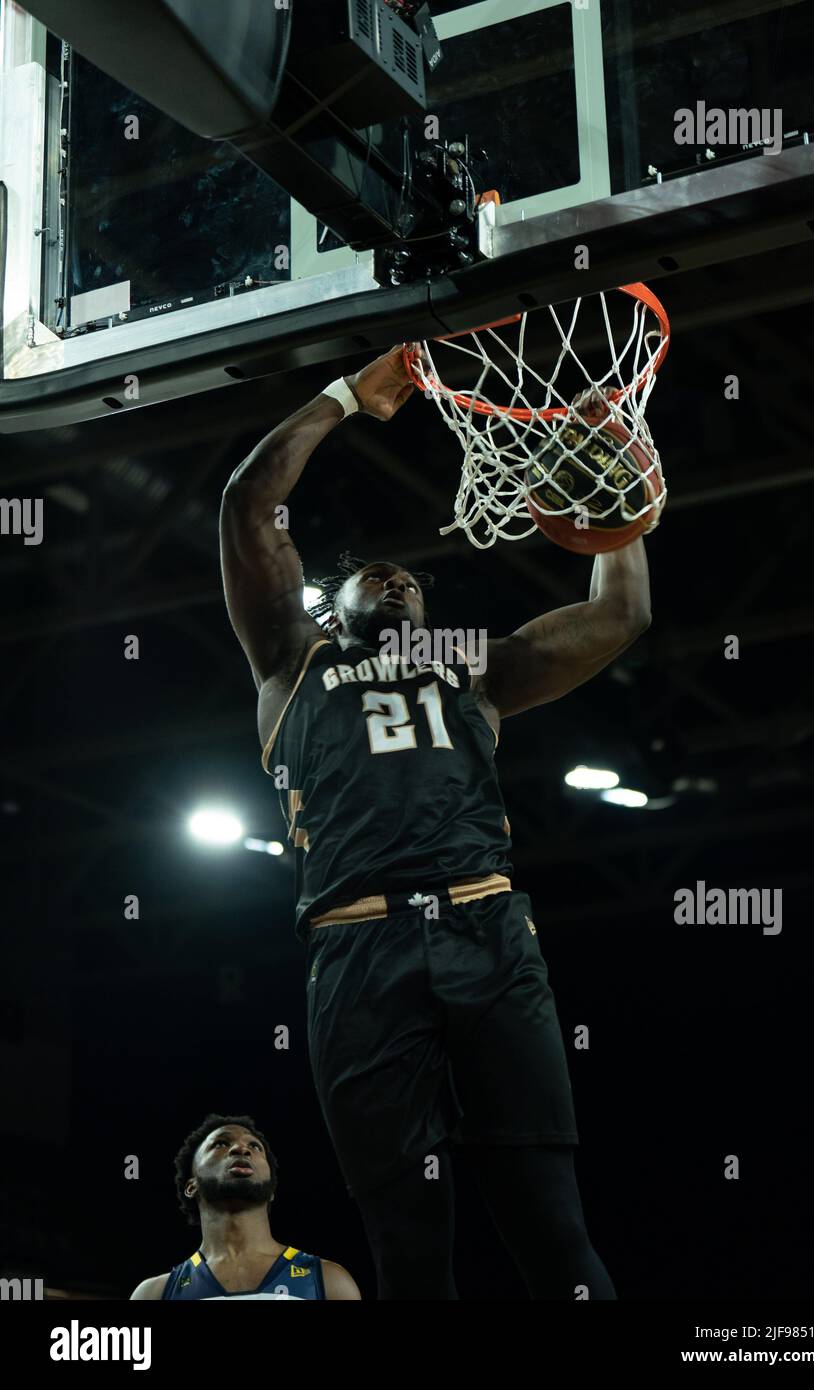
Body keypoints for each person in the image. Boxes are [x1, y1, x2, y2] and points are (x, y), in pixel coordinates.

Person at [218, 346, 651, 1299]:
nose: (399, 581)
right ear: (332, 605)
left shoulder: (468, 662)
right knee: (411, 1247)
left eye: (411, 578)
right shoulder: (291, 661)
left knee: (550, 1222)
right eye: (375, 575)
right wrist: (342, 399)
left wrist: (616, 494)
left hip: (487, 931)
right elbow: (248, 503)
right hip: (356, 947)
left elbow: (619, 614)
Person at [129, 1114, 361, 1299]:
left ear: (271, 1190)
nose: (241, 1149)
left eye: (254, 1146)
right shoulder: (154, 1294)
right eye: (220, 1143)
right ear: (191, 1185)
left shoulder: (330, 1281)